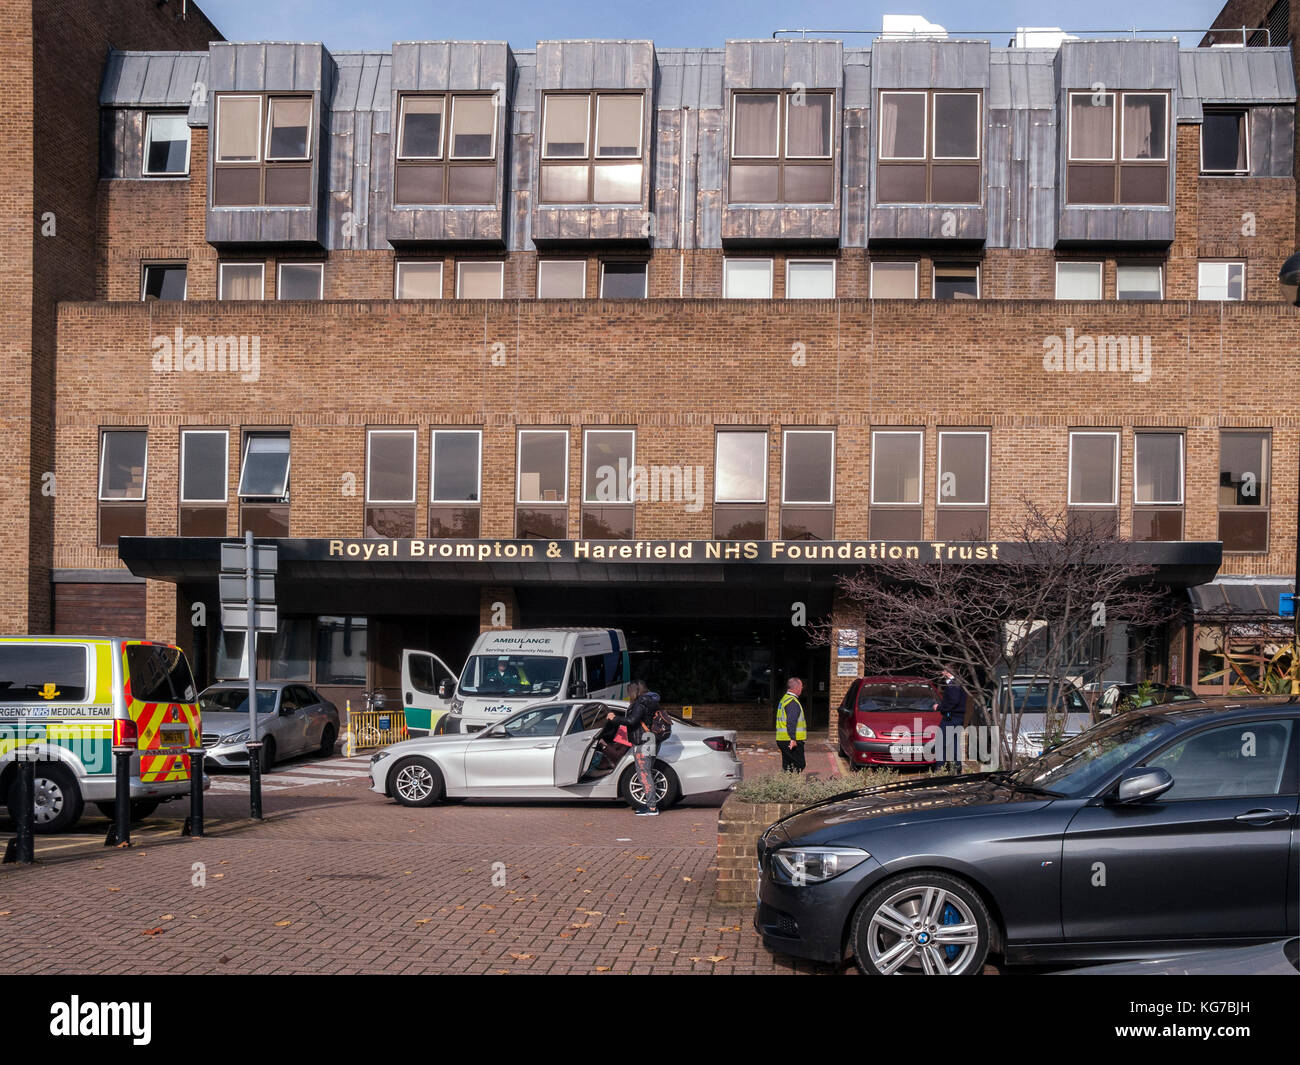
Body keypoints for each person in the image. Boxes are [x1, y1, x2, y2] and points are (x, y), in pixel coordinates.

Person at [606, 680, 662, 816]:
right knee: (646, 773)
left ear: (633, 691)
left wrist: (614, 718)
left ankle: (652, 807)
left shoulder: (639, 704)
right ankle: (651, 805)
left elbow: (632, 721)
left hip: (642, 742)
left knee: (644, 774)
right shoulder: (651, 702)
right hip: (651, 741)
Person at [934, 667, 968, 771]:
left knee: (941, 742)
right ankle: (957, 768)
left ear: (947, 672)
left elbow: (953, 701)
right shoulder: (958, 682)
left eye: (943, 670)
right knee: (954, 744)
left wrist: (939, 707)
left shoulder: (954, 684)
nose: (941, 673)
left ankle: (940, 768)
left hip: (951, 717)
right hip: (957, 717)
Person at [776, 677, 806, 773]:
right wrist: (793, 739)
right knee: (799, 764)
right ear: (797, 688)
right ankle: (793, 786)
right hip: (790, 740)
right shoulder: (792, 702)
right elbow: (791, 722)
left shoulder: (784, 699)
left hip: (782, 739)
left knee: (788, 766)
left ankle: (787, 785)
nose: (802, 689)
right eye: (801, 687)